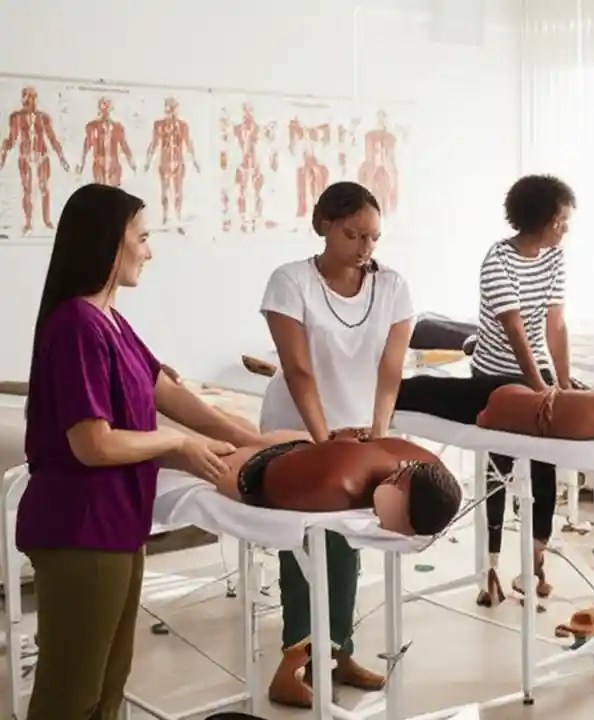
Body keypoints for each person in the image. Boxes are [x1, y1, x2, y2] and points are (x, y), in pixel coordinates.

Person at [16, 184, 267, 719]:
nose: (149, 252)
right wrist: (178, 441)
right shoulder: (78, 325)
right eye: (144, 238)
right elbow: (93, 443)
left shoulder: (111, 321)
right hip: (80, 529)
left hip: (117, 525)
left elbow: (167, 392)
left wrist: (249, 438)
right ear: (110, 242)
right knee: (70, 695)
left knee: (109, 685)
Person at [257, 180, 415, 708]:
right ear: (324, 223)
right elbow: (299, 370)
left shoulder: (392, 287)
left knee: (347, 543)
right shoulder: (290, 282)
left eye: (373, 236)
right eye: (353, 234)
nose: (366, 248)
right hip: (298, 427)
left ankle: (339, 652)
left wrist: (378, 432)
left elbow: (390, 371)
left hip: (358, 429)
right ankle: (292, 666)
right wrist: (323, 442)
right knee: (305, 543)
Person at [470, 174, 576, 606]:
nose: (567, 228)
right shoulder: (497, 260)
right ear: (547, 220)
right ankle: (490, 568)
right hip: (493, 377)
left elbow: (556, 325)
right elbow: (514, 330)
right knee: (498, 471)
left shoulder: (554, 259)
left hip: (537, 373)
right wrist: (539, 390)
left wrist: (563, 386)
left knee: (545, 464)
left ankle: (533, 563)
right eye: (564, 220)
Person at [202, 434, 462, 537]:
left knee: (231, 433)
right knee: (200, 454)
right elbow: (254, 491)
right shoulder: (339, 486)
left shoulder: (428, 464)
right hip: (257, 473)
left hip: (305, 446)